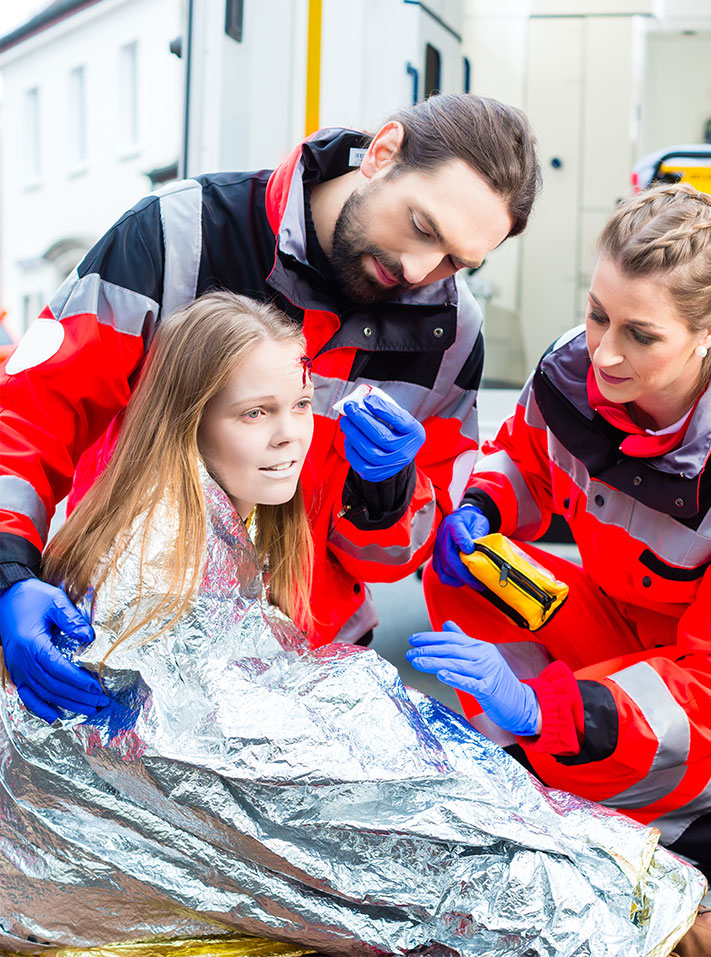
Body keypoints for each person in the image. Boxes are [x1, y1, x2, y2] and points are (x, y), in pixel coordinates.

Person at [0, 293, 711, 957]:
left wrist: (526, 713)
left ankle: (672, 912)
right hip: (110, 828)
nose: (292, 435)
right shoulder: (162, 533)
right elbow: (193, 733)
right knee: (427, 809)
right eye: (254, 413)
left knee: (457, 775)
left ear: (710, 335)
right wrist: (388, 708)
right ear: (188, 415)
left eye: (298, 406)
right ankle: (679, 926)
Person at [409, 182, 711, 912]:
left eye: (640, 333)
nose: (603, 351)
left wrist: (550, 710)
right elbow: (523, 459)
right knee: (473, 572)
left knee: (584, 732)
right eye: (597, 314)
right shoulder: (570, 370)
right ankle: (555, 762)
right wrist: (481, 505)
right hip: (639, 618)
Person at [0, 92, 540, 724]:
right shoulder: (182, 236)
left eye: (455, 260)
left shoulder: (450, 328)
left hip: (304, 679)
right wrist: (9, 571)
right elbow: (32, 413)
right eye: (423, 227)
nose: (421, 269)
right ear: (384, 152)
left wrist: (386, 492)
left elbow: (398, 556)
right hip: (126, 643)